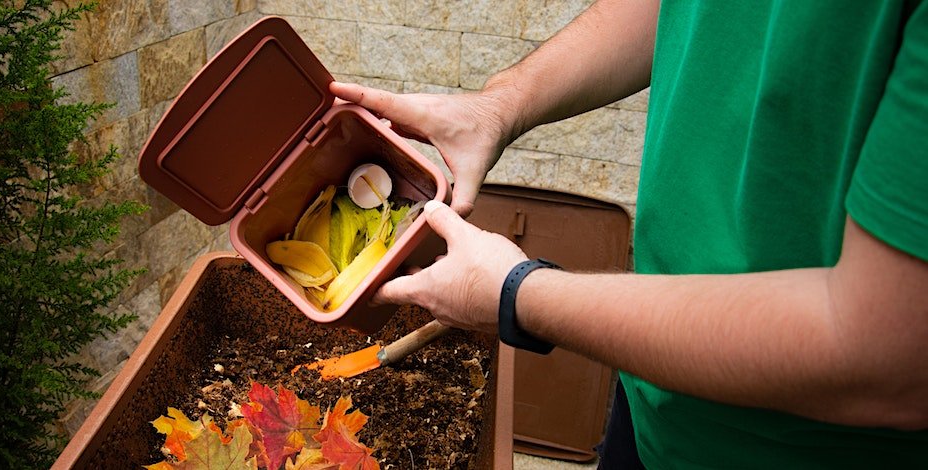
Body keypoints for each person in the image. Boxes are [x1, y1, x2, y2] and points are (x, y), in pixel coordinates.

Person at [330, 0, 928, 467]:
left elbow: (885, 359)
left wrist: (518, 294)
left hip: (801, 452)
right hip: (655, 398)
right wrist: (499, 105)